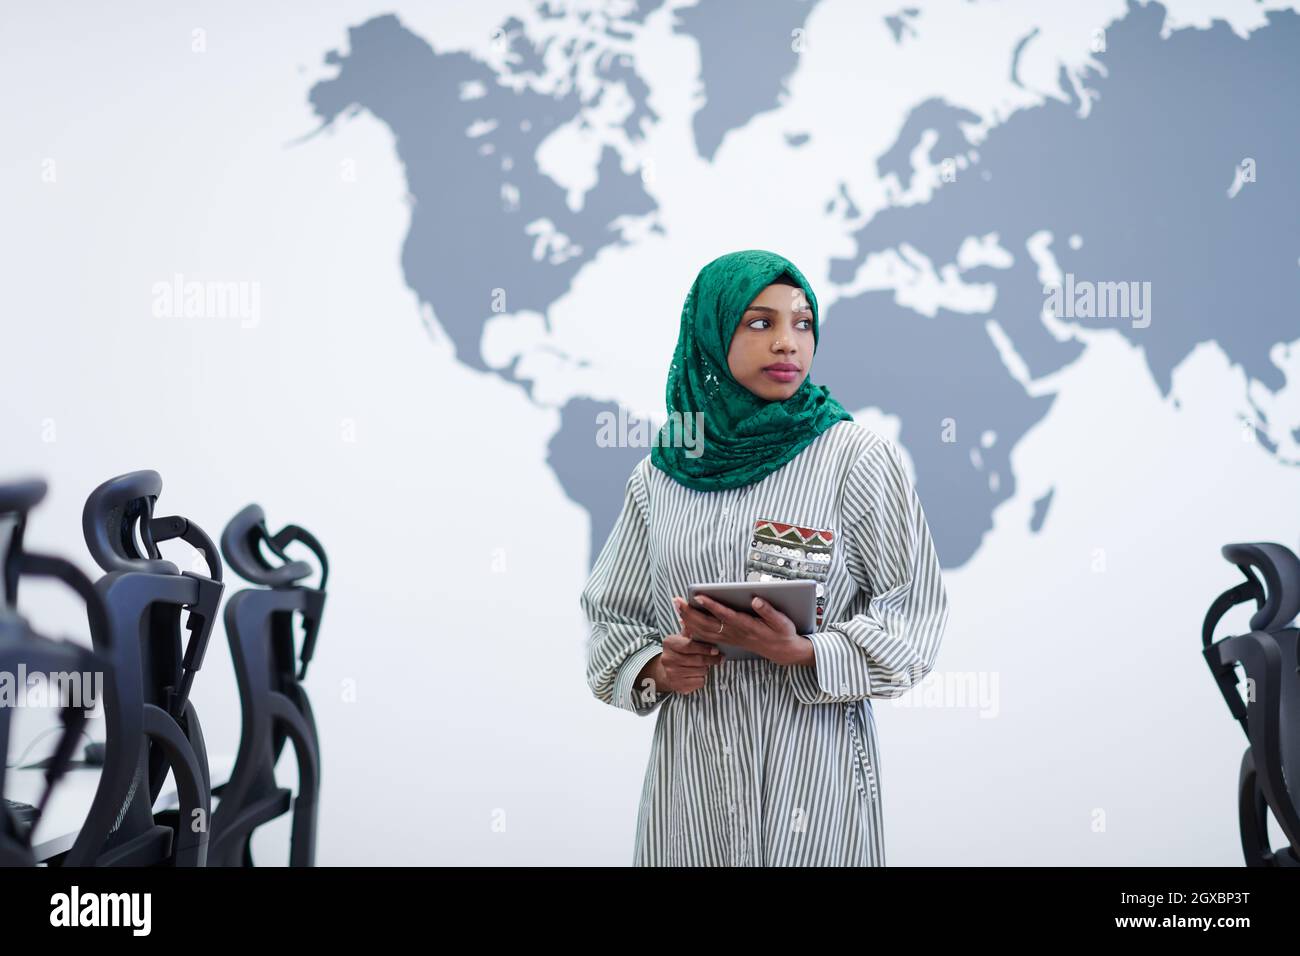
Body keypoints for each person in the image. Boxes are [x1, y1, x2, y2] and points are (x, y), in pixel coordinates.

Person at [580, 248, 949, 866]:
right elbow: (610, 618)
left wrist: (807, 652)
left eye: (802, 324)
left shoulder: (854, 458)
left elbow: (914, 618)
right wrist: (658, 668)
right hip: (691, 788)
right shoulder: (662, 475)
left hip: (813, 780)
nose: (787, 344)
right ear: (710, 332)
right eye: (760, 323)